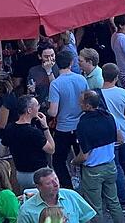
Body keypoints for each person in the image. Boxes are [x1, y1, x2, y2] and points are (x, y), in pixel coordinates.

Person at [74, 90, 123, 223]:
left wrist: (74, 161)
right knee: (114, 202)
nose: (79, 105)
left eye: (81, 103)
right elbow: (120, 139)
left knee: (95, 207)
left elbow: (84, 156)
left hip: (93, 171)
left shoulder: (83, 124)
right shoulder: (109, 116)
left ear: (88, 106)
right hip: (110, 165)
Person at [47, 50, 89, 188]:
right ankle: (87, 184)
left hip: (63, 128)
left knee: (58, 160)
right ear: (71, 63)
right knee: (83, 156)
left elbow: (53, 111)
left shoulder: (56, 84)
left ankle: (67, 187)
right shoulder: (81, 79)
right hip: (81, 126)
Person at [97, 65, 125, 210]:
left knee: (116, 167)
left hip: (110, 137)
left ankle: (122, 200)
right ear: (116, 77)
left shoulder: (98, 95)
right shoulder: (123, 93)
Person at [0, 95, 54, 191]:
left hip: (21, 175)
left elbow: (1, 152)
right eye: (37, 105)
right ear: (29, 110)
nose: (39, 108)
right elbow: (51, 149)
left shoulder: (10, 128)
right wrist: (45, 127)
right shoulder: (34, 132)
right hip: (39, 174)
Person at [16, 168, 96, 223]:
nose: (56, 184)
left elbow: (86, 219)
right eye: (49, 183)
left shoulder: (71, 195)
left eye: (56, 179)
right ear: (38, 187)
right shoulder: (26, 210)